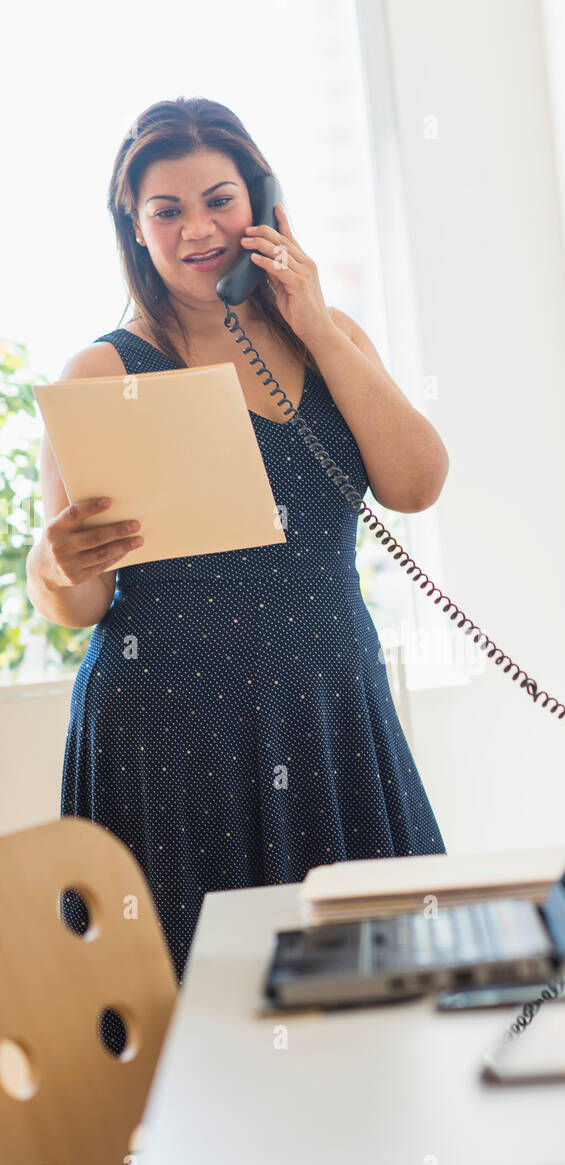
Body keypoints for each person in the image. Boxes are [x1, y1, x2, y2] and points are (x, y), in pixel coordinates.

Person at [26, 97, 449, 1029]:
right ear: (135, 230)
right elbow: (79, 600)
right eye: (166, 210)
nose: (198, 228)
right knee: (195, 1026)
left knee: (381, 1005)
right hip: (170, 733)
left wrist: (317, 321)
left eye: (218, 199)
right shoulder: (105, 371)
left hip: (325, 711)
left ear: (264, 203)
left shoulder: (329, 341)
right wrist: (51, 563)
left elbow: (416, 484)